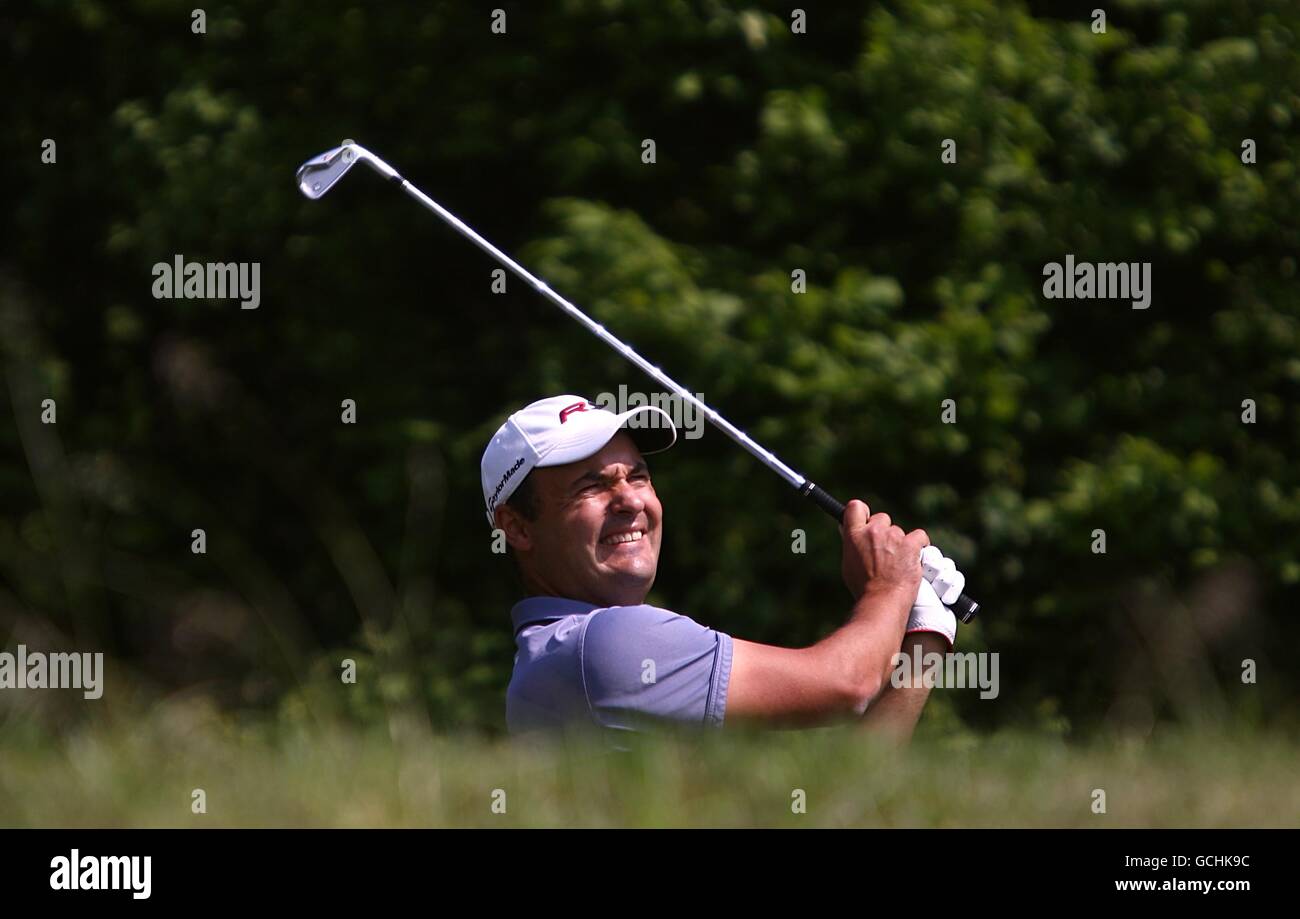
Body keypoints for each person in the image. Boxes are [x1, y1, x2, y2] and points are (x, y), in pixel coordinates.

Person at [481, 394, 966, 741]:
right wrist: (888, 586)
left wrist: (923, 633)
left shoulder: (552, 657)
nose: (629, 499)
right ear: (517, 527)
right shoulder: (602, 645)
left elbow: (843, 800)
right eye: (592, 486)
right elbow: (847, 685)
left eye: (639, 476)